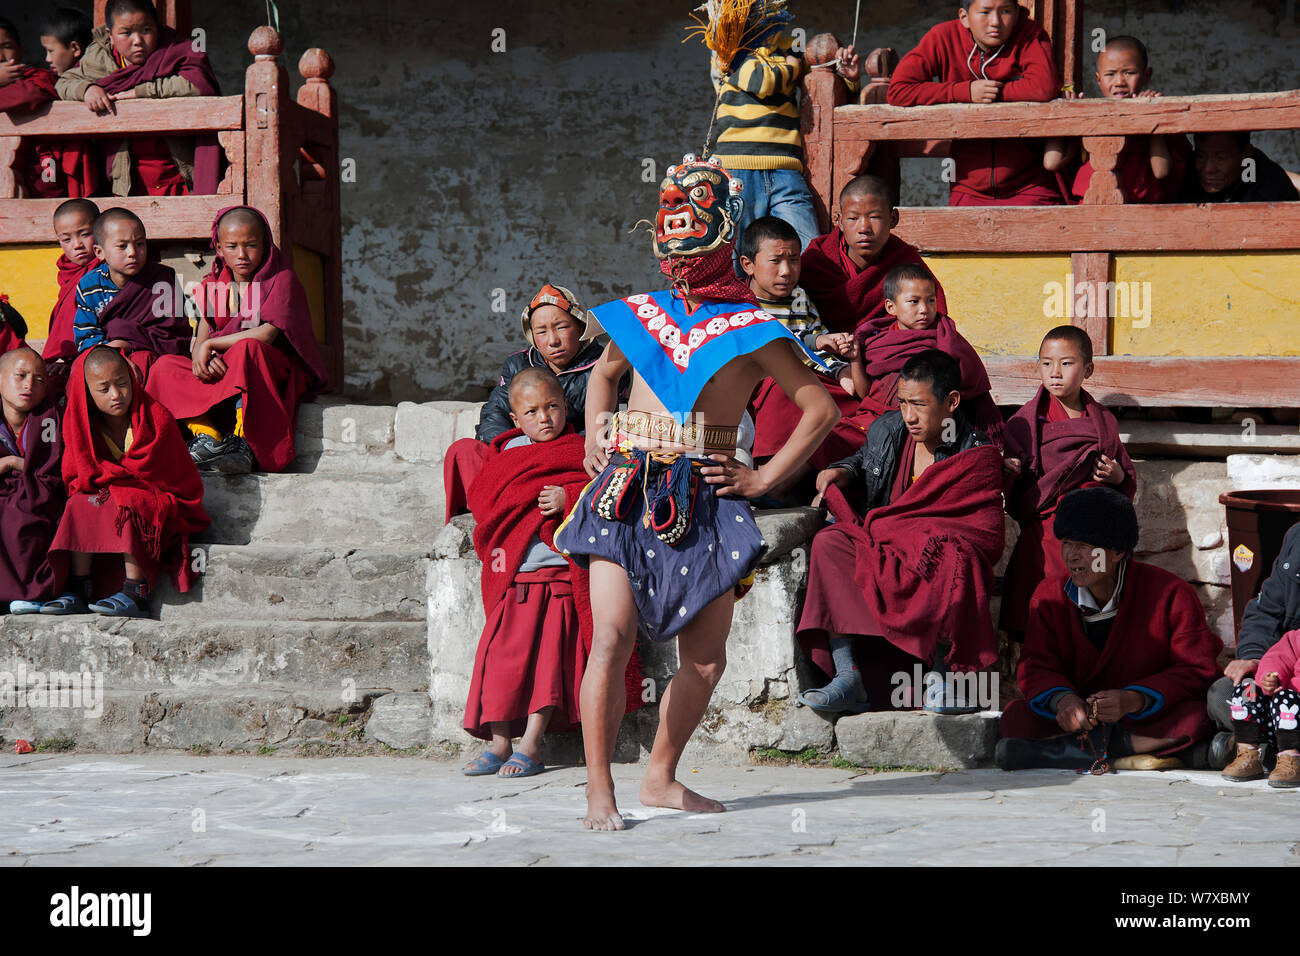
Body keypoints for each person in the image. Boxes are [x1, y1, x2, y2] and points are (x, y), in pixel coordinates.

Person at [554, 153, 838, 829]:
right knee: (611, 639)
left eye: (694, 235)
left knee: (706, 659)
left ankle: (659, 776)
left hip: (707, 494)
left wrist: (764, 478)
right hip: (626, 486)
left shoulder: (755, 331)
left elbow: (819, 410)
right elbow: (605, 373)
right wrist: (595, 431)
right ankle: (599, 790)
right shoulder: (644, 314)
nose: (680, 256)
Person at [797, 349, 1004, 714]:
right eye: (904, 402)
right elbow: (865, 462)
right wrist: (840, 472)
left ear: (951, 401)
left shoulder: (975, 451)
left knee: (952, 555)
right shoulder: (888, 427)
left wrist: (921, 535)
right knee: (830, 542)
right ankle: (848, 676)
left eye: (920, 405)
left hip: (929, 554)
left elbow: (984, 533)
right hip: (886, 541)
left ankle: (942, 678)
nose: (909, 416)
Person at [462, 368, 641, 778]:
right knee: (501, 660)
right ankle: (500, 741)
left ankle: (532, 743)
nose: (544, 418)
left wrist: (570, 495)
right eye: (532, 411)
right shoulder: (505, 456)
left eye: (553, 407)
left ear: (566, 407)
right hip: (516, 577)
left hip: (561, 577)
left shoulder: (581, 451)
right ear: (515, 419)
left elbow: (605, 495)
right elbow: (488, 504)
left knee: (549, 663)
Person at [997, 487, 1222, 771]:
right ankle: (1134, 753)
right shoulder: (1049, 594)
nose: (1072, 556)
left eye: (1085, 546)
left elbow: (1195, 670)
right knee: (1015, 718)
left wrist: (1134, 699)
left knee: (1196, 717)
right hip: (1081, 717)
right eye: (1067, 543)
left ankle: (1059, 753)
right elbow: (1036, 667)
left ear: (1117, 551)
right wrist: (1063, 701)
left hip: (1139, 715)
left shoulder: (1171, 593)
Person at [144, 206, 328, 474]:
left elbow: (267, 333)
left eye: (251, 245)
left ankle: (243, 442)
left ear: (265, 244)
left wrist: (212, 346)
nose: (242, 255)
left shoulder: (280, 279)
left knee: (248, 348)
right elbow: (204, 331)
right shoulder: (212, 284)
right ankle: (209, 438)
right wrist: (200, 356)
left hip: (264, 368)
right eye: (232, 246)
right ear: (219, 247)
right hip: (225, 366)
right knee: (164, 368)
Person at [43, 346, 209, 618]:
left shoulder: (156, 417)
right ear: (87, 392)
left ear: (132, 380)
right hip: (109, 492)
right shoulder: (82, 423)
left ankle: (136, 592)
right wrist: (112, 483)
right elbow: (78, 475)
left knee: (130, 501)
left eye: (122, 384)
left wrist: (118, 483)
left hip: (159, 497)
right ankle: (78, 587)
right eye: (104, 388)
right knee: (78, 504)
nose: (116, 395)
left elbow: (174, 479)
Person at [1000, 325, 1135, 640]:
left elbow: (1124, 478)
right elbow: (1013, 493)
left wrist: (1117, 476)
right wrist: (1011, 471)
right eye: (1046, 363)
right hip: (1044, 535)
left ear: (1088, 369)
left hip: (1092, 535)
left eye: (1066, 363)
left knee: (1091, 619)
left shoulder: (1103, 422)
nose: (1055, 372)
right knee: (1039, 604)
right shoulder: (1023, 423)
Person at [693, 0, 859, 249]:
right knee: (736, 254)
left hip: (786, 170)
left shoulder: (790, 47)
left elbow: (822, 85)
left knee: (808, 248)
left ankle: (810, 289)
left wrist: (849, 77)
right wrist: (793, 64)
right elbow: (763, 81)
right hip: (738, 171)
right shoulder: (727, 50)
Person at [444, 283, 610, 520]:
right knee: (464, 451)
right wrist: (517, 453)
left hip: (567, 458)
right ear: (532, 334)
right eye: (541, 331)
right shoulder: (518, 364)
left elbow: (601, 424)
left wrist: (551, 449)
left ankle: (522, 510)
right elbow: (495, 414)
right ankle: (488, 513)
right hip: (519, 451)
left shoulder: (604, 366)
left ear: (581, 326)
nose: (553, 340)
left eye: (562, 327)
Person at [886, 0, 1062, 206]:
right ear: (964, 17)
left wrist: (995, 94)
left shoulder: (1028, 34)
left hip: (1030, 183)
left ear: (1017, 13)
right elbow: (899, 90)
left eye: (1005, 11)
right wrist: (963, 91)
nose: (995, 22)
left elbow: (1044, 87)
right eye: (985, 12)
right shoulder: (944, 37)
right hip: (967, 184)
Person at [743, 216, 866, 495]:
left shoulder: (799, 297)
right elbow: (770, 351)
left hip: (808, 378)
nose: (786, 271)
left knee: (855, 398)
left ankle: (815, 462)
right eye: (776, 261)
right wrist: (815, 342)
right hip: (763, 384)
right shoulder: (738, 305)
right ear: (747, 265)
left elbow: (818, 338)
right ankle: (772, 473)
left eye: (794, 260)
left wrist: (839, 369)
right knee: (782, 386)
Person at [55, 0, 222, 196]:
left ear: (157, 28)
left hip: (178, 174)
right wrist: (87, 89)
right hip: (127, 177)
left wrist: (141, 92)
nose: (137, 40)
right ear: (110, 35)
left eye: (146, 30)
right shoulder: (99, 57)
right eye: (126, 33)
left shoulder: (175, 48)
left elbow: (198, 84)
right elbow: (64, 83)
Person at [855, 263, 1005, 451]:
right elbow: (865, 393)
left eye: (931, 300)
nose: (924, 309)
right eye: (914, 301)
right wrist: (854, 359)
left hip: (934, 427)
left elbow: (968, 396)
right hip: (876, 420)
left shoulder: (947, 340)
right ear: (891, 307)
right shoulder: (877, 342)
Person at [1044, 36, 1190, 203]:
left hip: (1140, 212)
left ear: (1146, 75)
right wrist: (1064, 111)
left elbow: (1161, 171)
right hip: (1093, 210)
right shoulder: (1091, 118)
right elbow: (1051, 163)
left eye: (1129, 73)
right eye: (1110, 74)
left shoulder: (1153, 112)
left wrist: (1151, 116)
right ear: (1098, 80)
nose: (1119, 82)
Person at [799, 175, 947, 335]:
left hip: (886, 351)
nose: (864, 228)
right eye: (853, 218)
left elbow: (934, 321)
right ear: (840, 222)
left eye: (874, 217)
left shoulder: (905, 260)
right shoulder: (817, 260)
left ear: (893, 219)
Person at [1206, 521, 1300, 769]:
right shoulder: (1297, 537)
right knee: (1226, 694)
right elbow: (1265, 612)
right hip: (1283, 682)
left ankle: (1261, 750)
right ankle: (1278, 750)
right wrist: (1256, 660)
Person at [73, 208, 190, 381]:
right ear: (100, 252)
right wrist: (112, 353)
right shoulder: (89, 285)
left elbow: (175, 337)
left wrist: (127, 345)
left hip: (152, 358)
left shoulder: (162, 281)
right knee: (80, 369)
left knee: (145, 362)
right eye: (122, 246)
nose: (133, 252)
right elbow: (86, 335)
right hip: (105, 357)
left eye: (140, 244)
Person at [0, 348, 66, 615]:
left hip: (39, 493)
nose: (29, 385)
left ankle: (31, 592)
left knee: (21, 514)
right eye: (21, 376)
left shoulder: (50, 418)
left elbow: (56, 470)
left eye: (39, 379)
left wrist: (13, 463)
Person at [1220, 629, 1300, 787]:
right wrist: (1270, 676)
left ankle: (1291, 760)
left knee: (1286, 698)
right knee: (1247, 690)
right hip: (1277, 724)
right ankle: (1247, 754)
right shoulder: (1295, 638)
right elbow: (1276, 657)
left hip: (1295, 725)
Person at [34, 7, 98, 198]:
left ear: (76, 48)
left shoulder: (97, 74)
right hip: (57, 163)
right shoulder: (48, 79)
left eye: (51, 51)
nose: (47, 59)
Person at [0, 17, 61, 199]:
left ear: (20, 51)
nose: (1, 56)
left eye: (7, 46)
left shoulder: (37, 77)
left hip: (38, 177)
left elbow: (26, 96)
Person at [48, 198, 102, 398]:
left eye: (85, 234)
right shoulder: (66, 273)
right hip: (73, 359)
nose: (77, 245)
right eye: (66, 239)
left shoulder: (109, 270)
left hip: (100, 356)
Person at [1178, 132, 1299, 204]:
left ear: (1246, 153)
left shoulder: (1268, 188)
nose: (1208, 169)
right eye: (1200, 156)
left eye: (1220, 158)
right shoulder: (1186, 173)